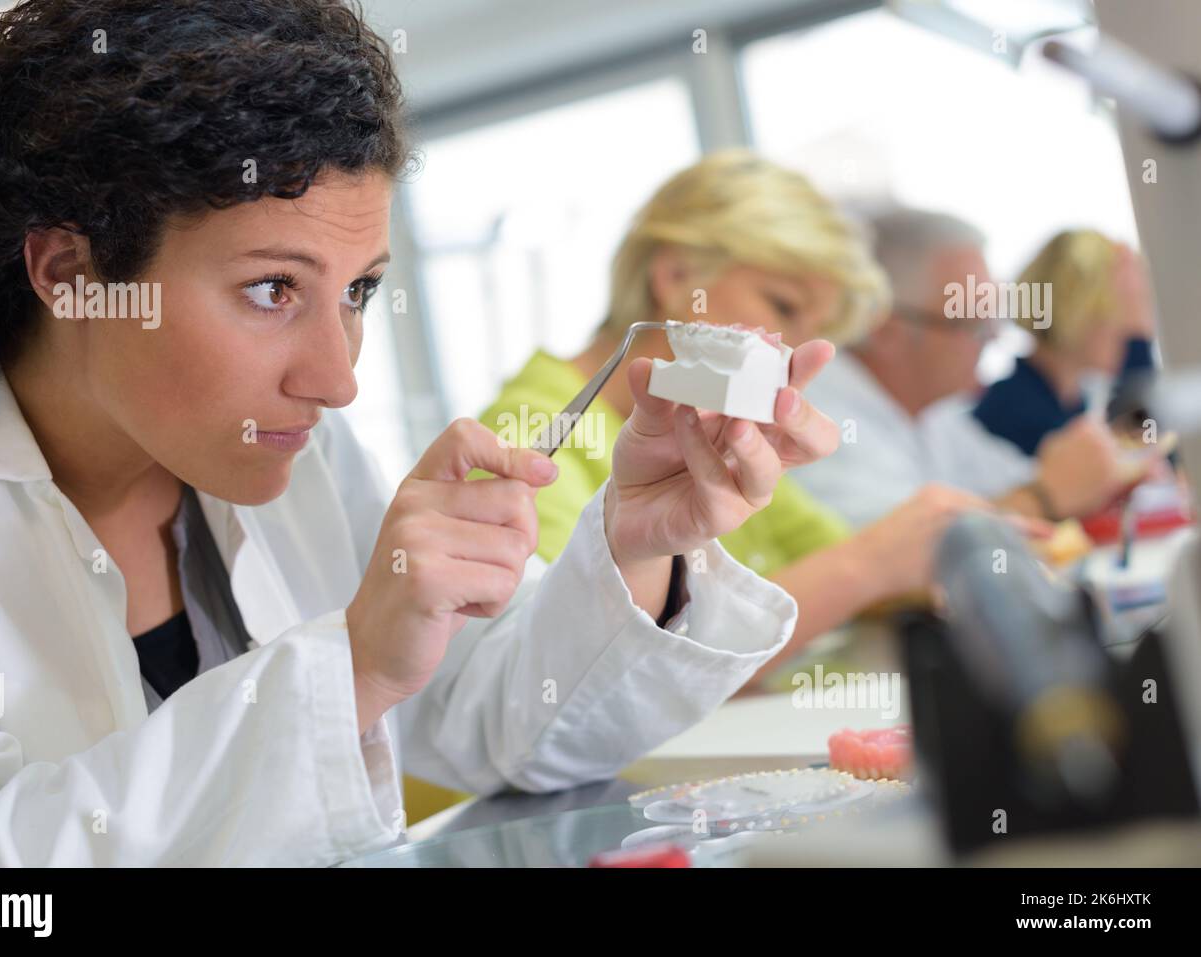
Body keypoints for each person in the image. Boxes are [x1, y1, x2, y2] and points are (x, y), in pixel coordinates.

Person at [0, 0, 842, 865]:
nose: (338, 379)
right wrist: (349, 665)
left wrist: (640, 545)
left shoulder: (297, 457)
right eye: (272, 289)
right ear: (69, 272)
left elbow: (492, 730)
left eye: (357, 291)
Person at [480, 154, 1012, 663]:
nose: (790, 349)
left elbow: (834, 555)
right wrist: (868, 564)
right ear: (675, 277)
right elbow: (565, 664)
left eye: (813, 330)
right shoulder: (530, 432)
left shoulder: (709, 425)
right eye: (782, 306)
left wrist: (911, 549)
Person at [795, 208, 1130, 529]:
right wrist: (1045, 497)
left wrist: (1101, 476)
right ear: (885, 330)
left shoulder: (932, 415)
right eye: (973, 326)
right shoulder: (818, 425)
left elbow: (1006, 479)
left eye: (992, 321)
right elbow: (890, 559)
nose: (994, 340)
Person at [973, 229, 1157, 456]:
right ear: (1079, 312)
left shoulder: (1077, 401)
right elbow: (1139, 455)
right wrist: (1138, 345)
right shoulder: (1015, 413)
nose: (1130, 324)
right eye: (1122, 307)